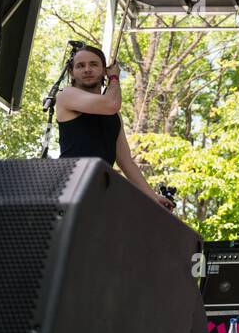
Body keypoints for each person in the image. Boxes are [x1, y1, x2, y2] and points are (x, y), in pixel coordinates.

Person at [55, 44, 175, 210]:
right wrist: (114, 79)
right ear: (72, 73)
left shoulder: (113, 114)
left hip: (97, 191)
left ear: (104, 70)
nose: (87, 69)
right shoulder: (66, 95)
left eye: (94, 64)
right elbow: (112, 103)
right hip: (69, 186)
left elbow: (125, 161)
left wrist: (153, 196)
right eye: (80, 66)